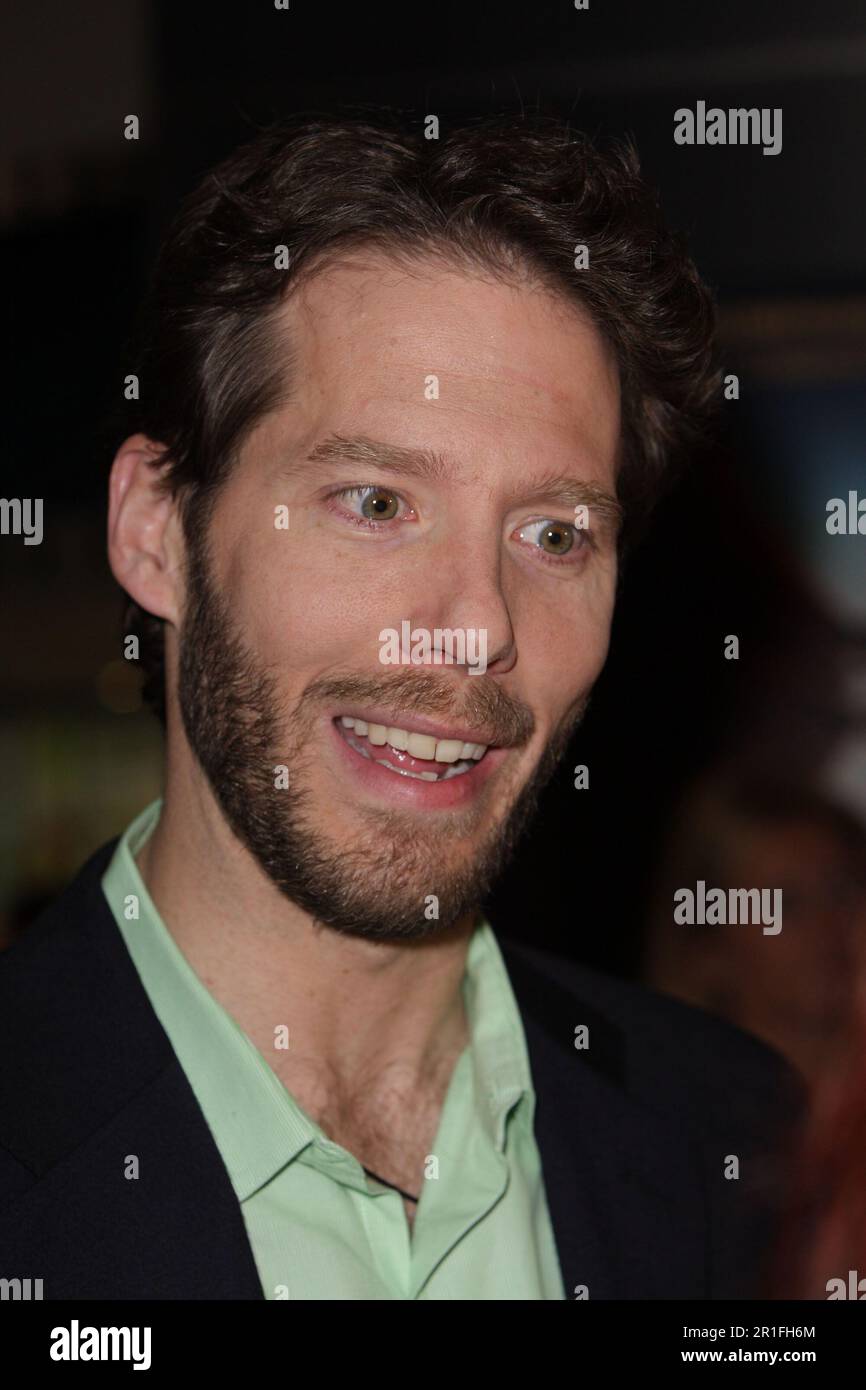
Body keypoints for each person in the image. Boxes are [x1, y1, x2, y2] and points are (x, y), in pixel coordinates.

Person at [0, 110, 805, 1300]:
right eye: (375, 503)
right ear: (155, 531)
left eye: (552, 533)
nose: (477, 623)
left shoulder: (754, 1154)